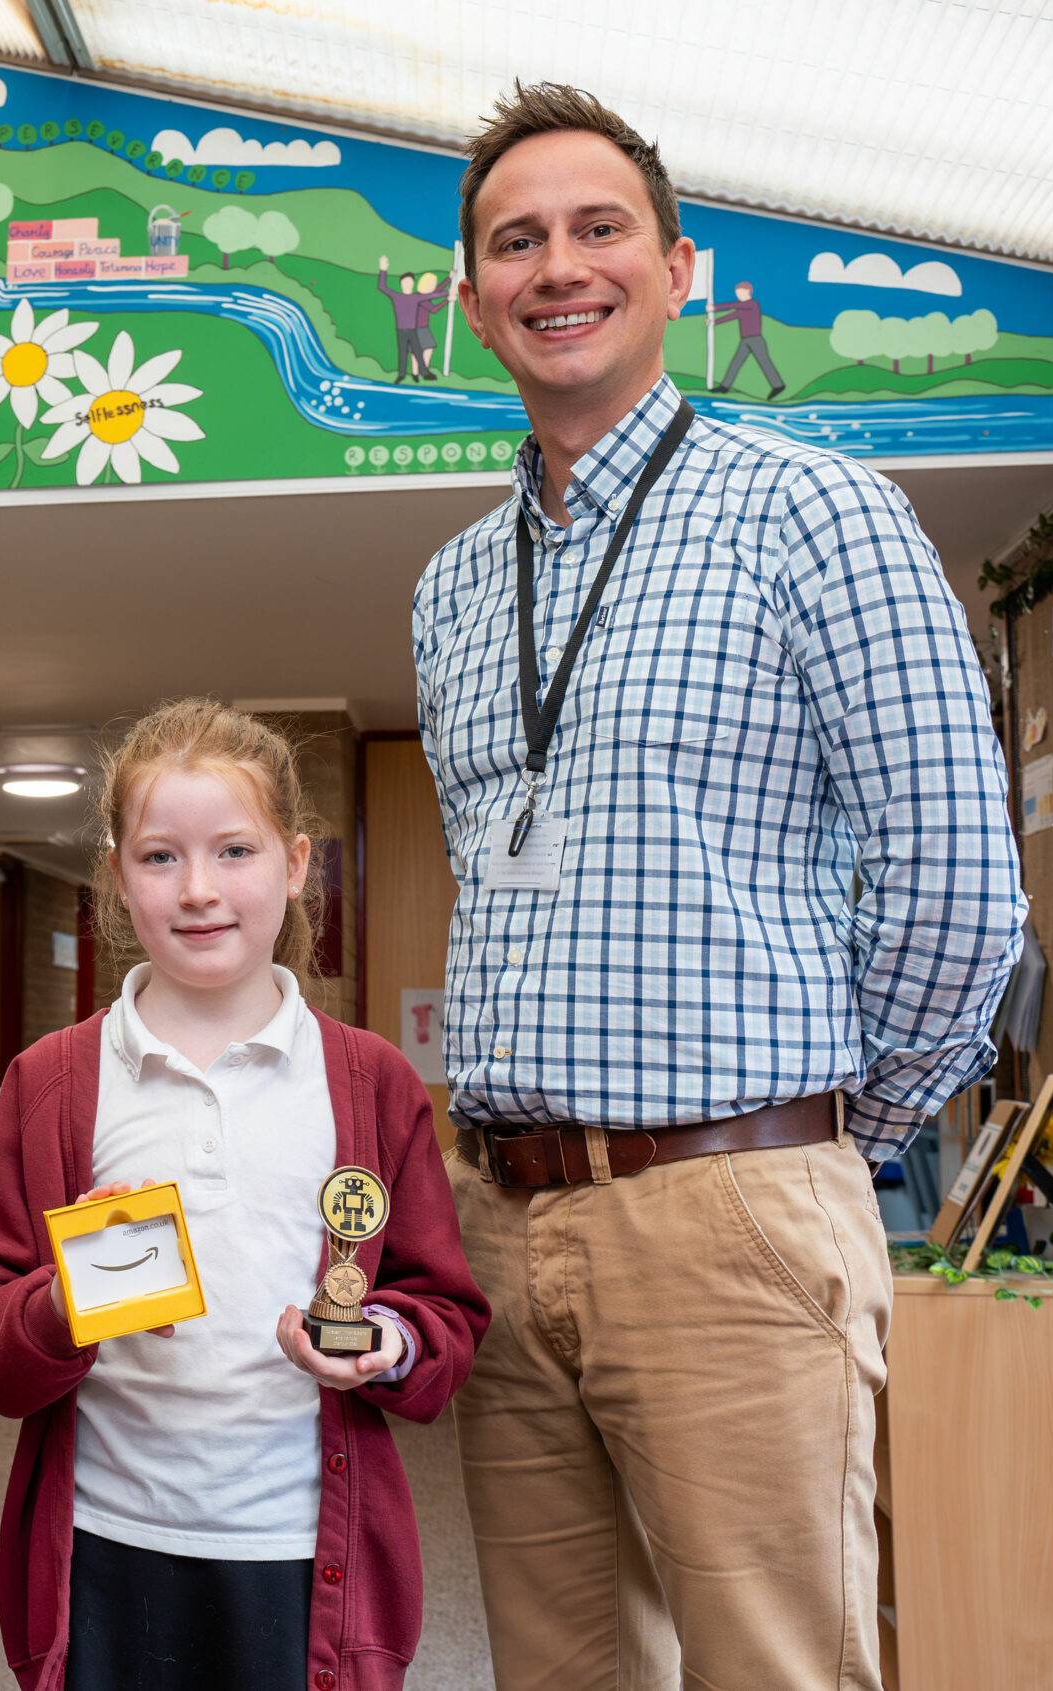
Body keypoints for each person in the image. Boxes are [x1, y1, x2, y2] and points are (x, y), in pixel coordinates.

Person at [418, 82, 1021, 1688]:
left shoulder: (812, 510)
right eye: (517, 240)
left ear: (681, 268)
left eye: (600, 227)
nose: (561, 265)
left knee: (776, 1667)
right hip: (508, 1209)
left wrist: (818, 1147)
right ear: (473, 299)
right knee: (559, 1671)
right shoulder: (455, 584)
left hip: (734, 1201)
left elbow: (960, 882)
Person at [0, 700, 485, 1691]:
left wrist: (385, 1343)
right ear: (117, 876)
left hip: (299, 1548)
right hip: (105, 1542)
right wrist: (64, 1305)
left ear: (294, 863)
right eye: (160, 857)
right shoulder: (54, 1082)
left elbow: (444, 1317)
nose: (198, 891)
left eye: (233, 851)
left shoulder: (370, 1085)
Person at [714, 278, 788, 398]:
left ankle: (778, 385)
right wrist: (714, 322)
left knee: (764, 362)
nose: (738, 295)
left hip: (755, 340)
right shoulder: (742, 308)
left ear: (747, 292)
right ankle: (724, 387)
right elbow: (732, 315)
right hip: (745, 340)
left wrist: (715, 307)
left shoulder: (752, 304)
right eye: (737, 293)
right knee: (736, 362)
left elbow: (734, 305)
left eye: (740, 292)